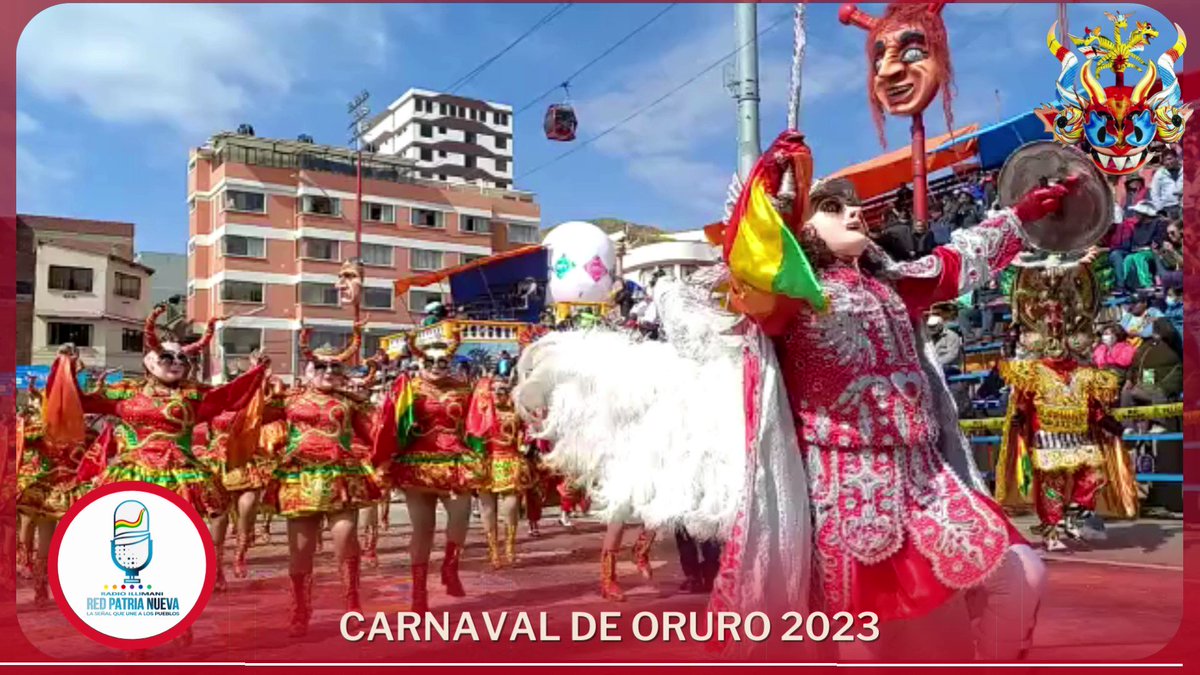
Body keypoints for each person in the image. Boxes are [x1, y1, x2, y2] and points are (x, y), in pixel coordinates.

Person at [516, 129, 1076, 659]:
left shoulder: (894, 281)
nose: (854, 212)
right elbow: (751, 266)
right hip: (847, 498)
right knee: (876, 648)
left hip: (928, 484)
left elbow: (961, 260)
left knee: (1021, 575)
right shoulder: (790, 302)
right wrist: (771, 183)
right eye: (830, 207)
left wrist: (1026, 211)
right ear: (800, 227)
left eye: (853, 205)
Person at [997, 263, 1137, 551]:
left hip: (1079, 436)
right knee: (1052, 483)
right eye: (1051, 338)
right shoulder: (1033, 372)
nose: (1057, 343)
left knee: (1095, 474)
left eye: (1062, 337)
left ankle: (1074, 512)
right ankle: (1051, 529)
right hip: (1046, 437)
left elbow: (1095, 409)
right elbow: (1023, 402)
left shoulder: (1083, 374)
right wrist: (1020, 419)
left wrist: (1113, 426)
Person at [262, 325, 388, 637]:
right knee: (301, 550)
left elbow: (377, 434)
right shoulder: (288, 400)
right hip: (298, 477)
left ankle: (352, 604)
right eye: (320, 366)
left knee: (345, 539)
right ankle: (300, 611)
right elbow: (251, 416)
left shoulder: (350, 402)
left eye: (335, 366)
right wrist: (256, 383)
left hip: (340, 476)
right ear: (305, 372)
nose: (328, 371)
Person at [389, 335, 484, 613]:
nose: (436, 366)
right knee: (423, 530)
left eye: (442, 361)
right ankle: (419, 594)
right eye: (429, 361)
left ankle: (450, 566)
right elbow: (391, 424)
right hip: (418, 464)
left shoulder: (463, 390)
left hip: (455, 462)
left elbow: (474, 424)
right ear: (419, 362)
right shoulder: (409, 389)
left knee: (461, 518)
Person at [470, 377, 531, 568]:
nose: (498, 393)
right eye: (494, 389)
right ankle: (493, 550)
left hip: (510, 461)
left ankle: (510, 547)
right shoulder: (480, 413)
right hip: (486, 462)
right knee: (487, 509)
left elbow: (529, 430)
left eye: (503, 389)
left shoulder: (516, 412)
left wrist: (526, 444)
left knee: (511, 506)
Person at [1122, 318, 1184, 406]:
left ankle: (1157, 418)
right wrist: (1129, 379)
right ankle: (1127, 418)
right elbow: (1134, 364)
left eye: (1156, 328)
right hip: (1145, 380)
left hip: (1164, 385)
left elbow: (1170, 332)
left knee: (1146, 394)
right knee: (1127, 393)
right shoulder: (1147, 344)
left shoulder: (1172, 343)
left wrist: (1158, 321)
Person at [1150, 148, 1183, 220]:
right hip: (1168, 208)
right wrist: (1160, 209)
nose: (1168, 162)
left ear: (1176, 158)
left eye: (1170, 159)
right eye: (1165, 160)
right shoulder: (1160, 174)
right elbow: (1154, 193)